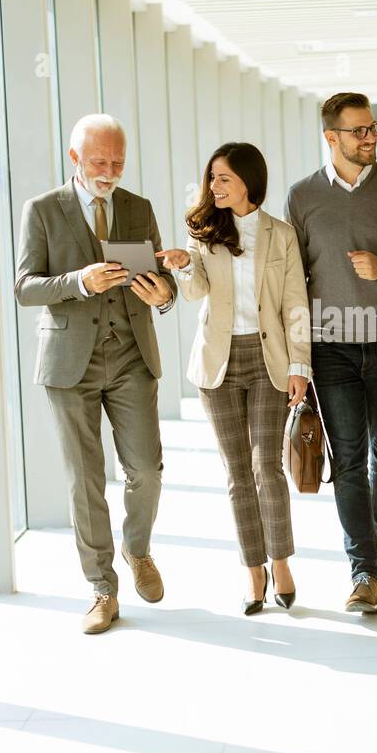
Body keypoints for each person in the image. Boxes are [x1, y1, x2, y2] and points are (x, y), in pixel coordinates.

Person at [14, 113, 177, 634]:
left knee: (146, 469)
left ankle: (138, 549)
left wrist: (164, 292)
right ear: (74, 158)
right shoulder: (42, 210)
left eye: (118, 162)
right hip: (70, 363)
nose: (109, 172)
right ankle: (102, 588)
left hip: (131, 356)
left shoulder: (139, 208)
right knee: (85, 479)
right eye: (99, 162)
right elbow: (24, 287)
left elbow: (163, 279)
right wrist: (79, 281)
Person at [156, 143, 311, 615]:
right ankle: (253, 571)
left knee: (268, 467)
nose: (215, 186)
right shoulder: (204, 231)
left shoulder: (281, 235)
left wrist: (300, 366)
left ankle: (281, 562)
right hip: (217, 364)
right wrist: (185, 265)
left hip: (268, 360)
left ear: (248, 181)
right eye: (212, 178)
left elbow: (295, 303)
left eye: (224, 178)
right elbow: (196, 293)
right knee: (237, 473)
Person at [285, 92, 377, 614]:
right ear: (331, 137)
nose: (370, 138)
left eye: (373, 128)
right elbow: (293, 281)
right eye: (358, 131)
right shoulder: (302, 197)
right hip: (330, 347)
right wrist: (298, 357)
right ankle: (362, 570)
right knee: (348, 458)